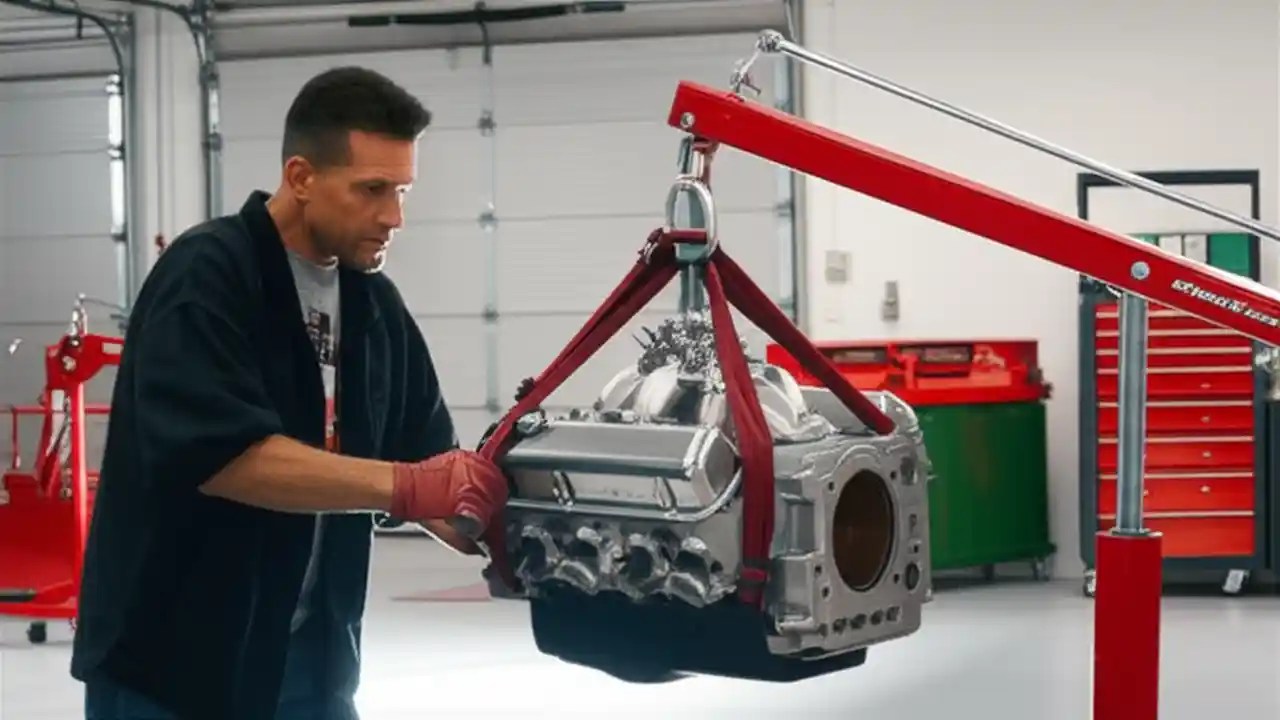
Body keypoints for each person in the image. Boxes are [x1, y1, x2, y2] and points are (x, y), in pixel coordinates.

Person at [69, 66, 508, 720]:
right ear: (301, 177)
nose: (394, 217)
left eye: (403, 191)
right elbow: (222, 457)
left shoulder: (375, 306)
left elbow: (432, 470)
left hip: (311, 663)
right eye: (373, 190)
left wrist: (518, 535)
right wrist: (406, 487)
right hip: (173, 671)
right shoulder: (209, 276)